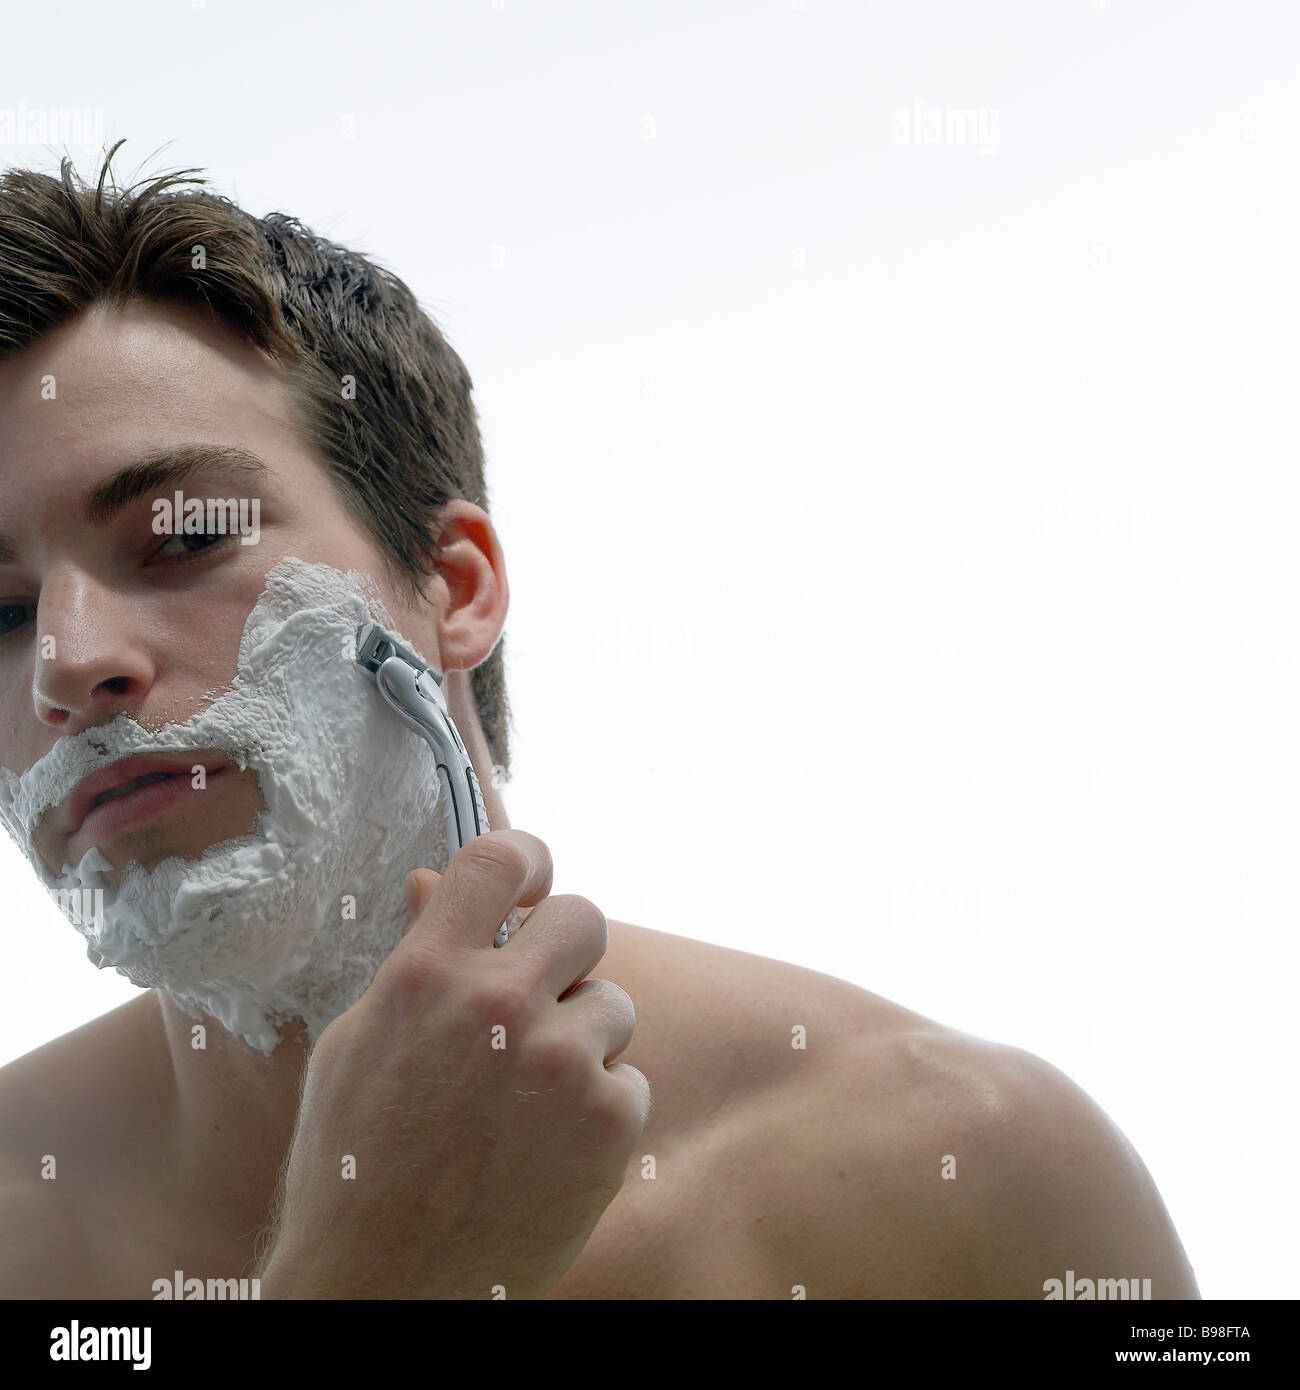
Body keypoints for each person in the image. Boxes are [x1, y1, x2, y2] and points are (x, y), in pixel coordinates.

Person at [0, 145, 1200, 1299]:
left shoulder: (960, 1170)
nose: (67, 663)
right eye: (1, 614)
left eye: (186, 535)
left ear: (455, 587)